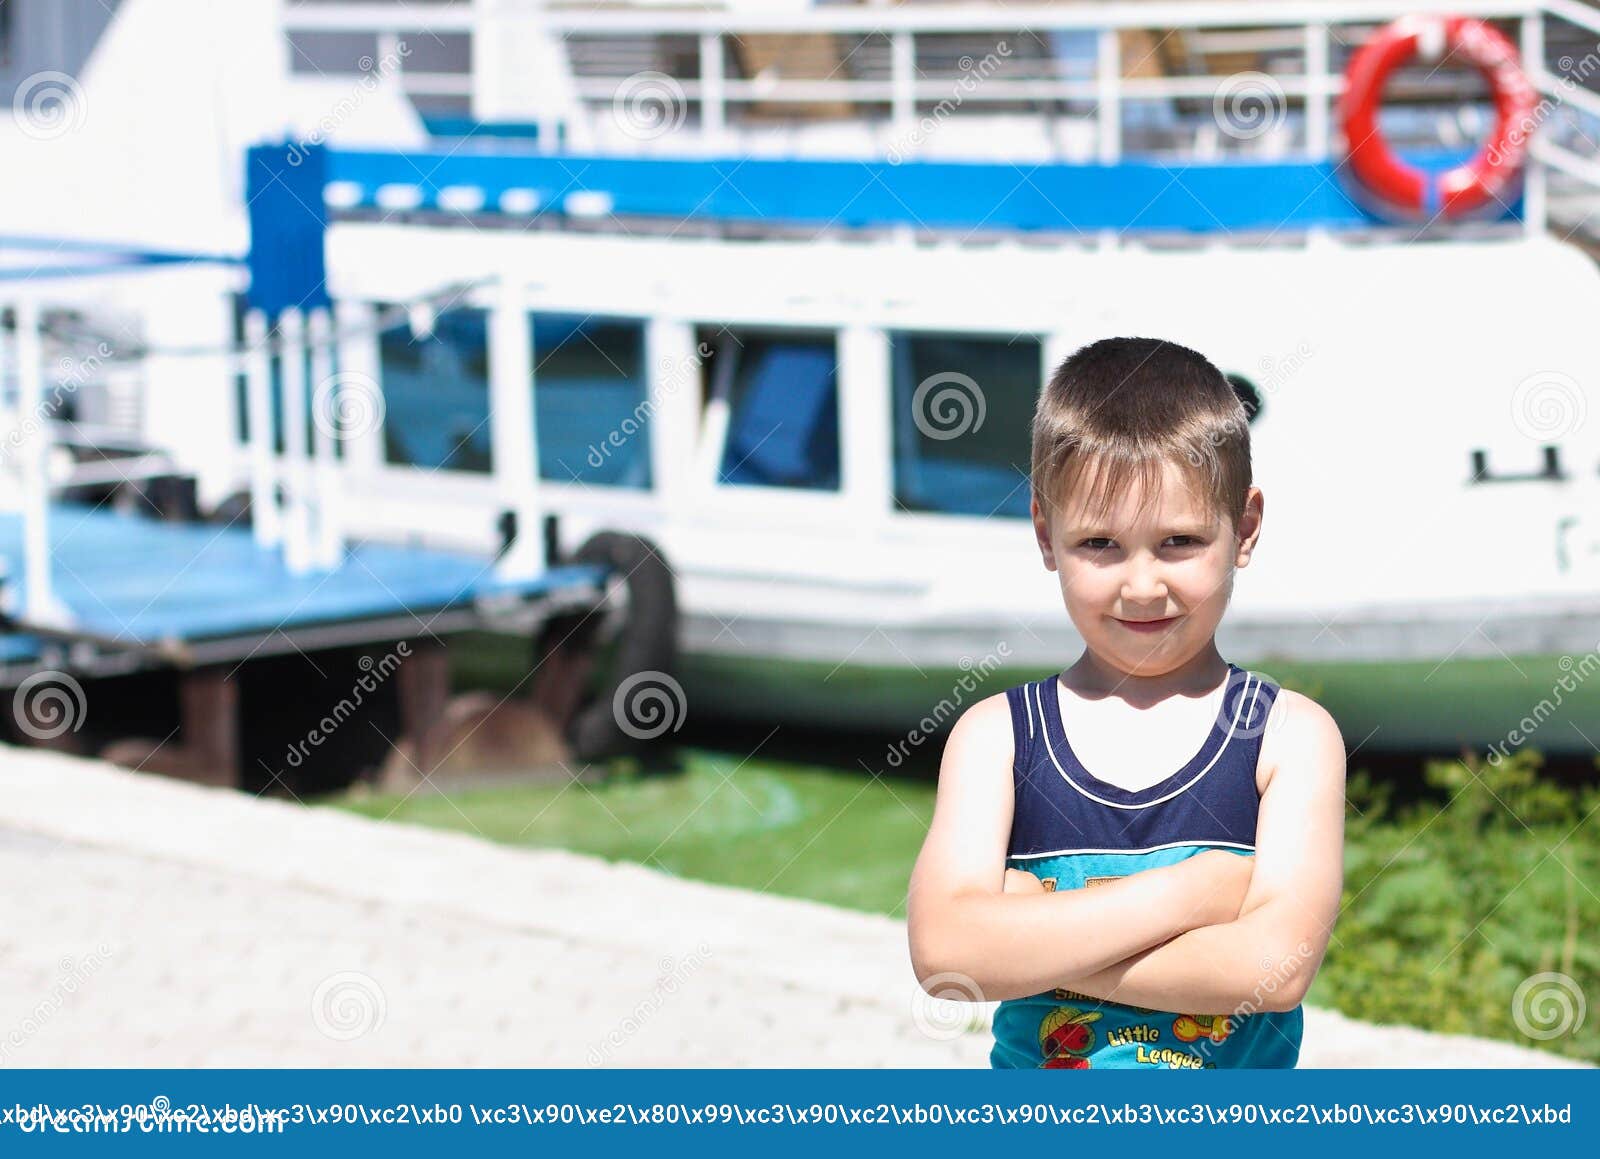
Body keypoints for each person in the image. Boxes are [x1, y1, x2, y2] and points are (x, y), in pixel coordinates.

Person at [906, 336, 1346, 1069]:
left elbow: (1274, 969)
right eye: (1101, 543)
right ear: (1046, 533)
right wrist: (1192, 893)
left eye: (1178, 541)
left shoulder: (1288, 737)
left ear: (1245, 526)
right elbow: (945, 955)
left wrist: (1029, 936)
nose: (1142, 586)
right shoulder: (998, 740)